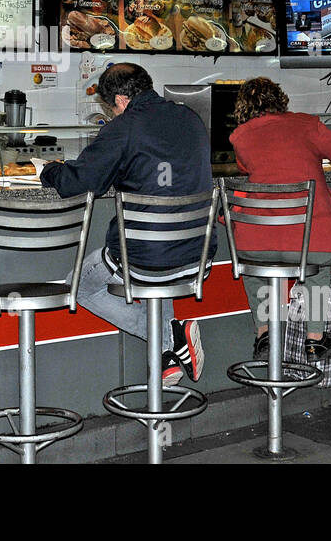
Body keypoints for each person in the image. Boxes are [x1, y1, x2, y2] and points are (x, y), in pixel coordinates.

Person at [39, 62, 211, 387]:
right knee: (159, 264)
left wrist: (48, 170)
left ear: (119, 100)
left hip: (146, 259)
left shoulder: (124, 126)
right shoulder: (190, 117)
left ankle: (170, 340)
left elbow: (82, 181)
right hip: (196, 255)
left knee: (76, 286)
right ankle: (168, 350)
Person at [228, 77, 331, 360]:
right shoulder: (306, 124)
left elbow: (244, 166)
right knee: (318, 268)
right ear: (281, 99)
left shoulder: (240, 135)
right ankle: (315, 339)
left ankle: (266, 333)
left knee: (255, 271)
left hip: (256, 242)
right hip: (313, 241)